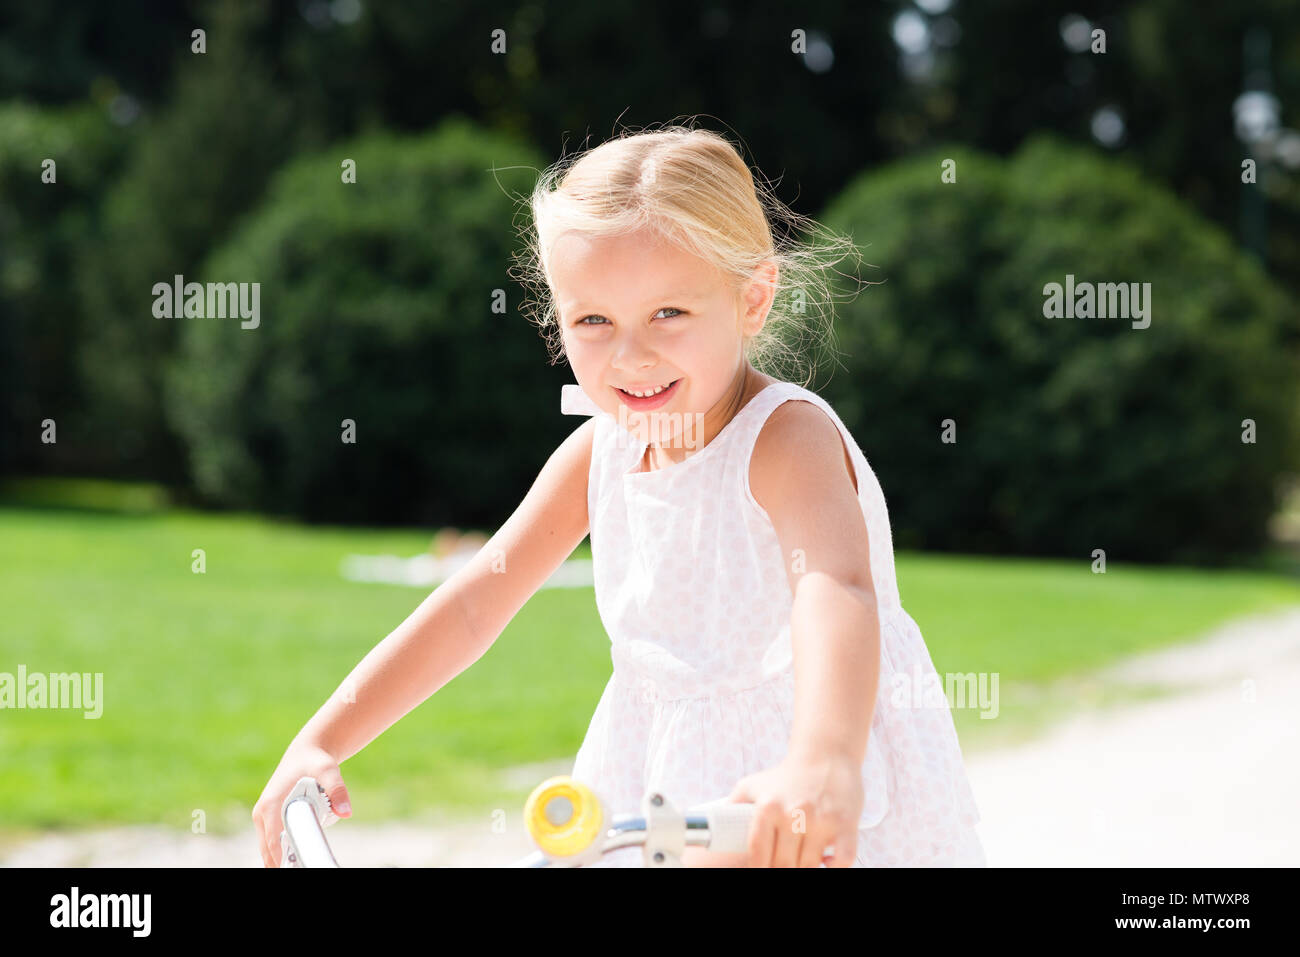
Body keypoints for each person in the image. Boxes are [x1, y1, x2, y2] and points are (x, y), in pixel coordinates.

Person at [252, 122, 985, 868]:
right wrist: (323, 737)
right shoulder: (599, 451)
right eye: (593, 320)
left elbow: (836, 587)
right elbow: (475, 604)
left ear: (753, 298)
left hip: (789, 802)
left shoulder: (783, 440)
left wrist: (824, 761)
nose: (630, 355)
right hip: (662, 786)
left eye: (669, 313)